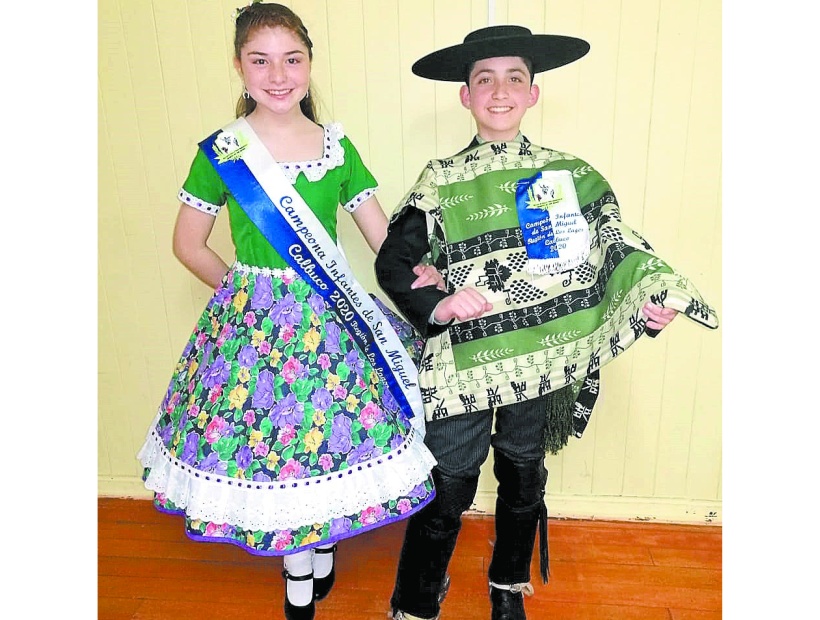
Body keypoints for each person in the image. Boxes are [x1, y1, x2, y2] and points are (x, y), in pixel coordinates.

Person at [375, 25, 719, 620]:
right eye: (485, 79)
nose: (499, 91)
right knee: (448, 481)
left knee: (523, 470)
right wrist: (438, 304)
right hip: (464, 360)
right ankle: (417, 599)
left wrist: (650, 299)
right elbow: (394, 261)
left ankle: (508, 583)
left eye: (514, 78)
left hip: (542, 356)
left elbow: (614, 246)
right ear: (465, 95)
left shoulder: (568, 177)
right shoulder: (440, 179)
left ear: (532, 93)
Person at [136, 3, 446, 620]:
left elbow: (382, 240)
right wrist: (243, 293)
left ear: (309, 64)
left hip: (333, 321)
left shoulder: (336, 147)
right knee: (276, 444)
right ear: (238, 66)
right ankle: (298, 575)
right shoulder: (223, 152)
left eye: (291, 59)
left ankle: (322, 542)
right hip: (254, 327)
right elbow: (188, 244)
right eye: (261, 61)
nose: (278, 75)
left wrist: (424, 273)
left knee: (326, 439)